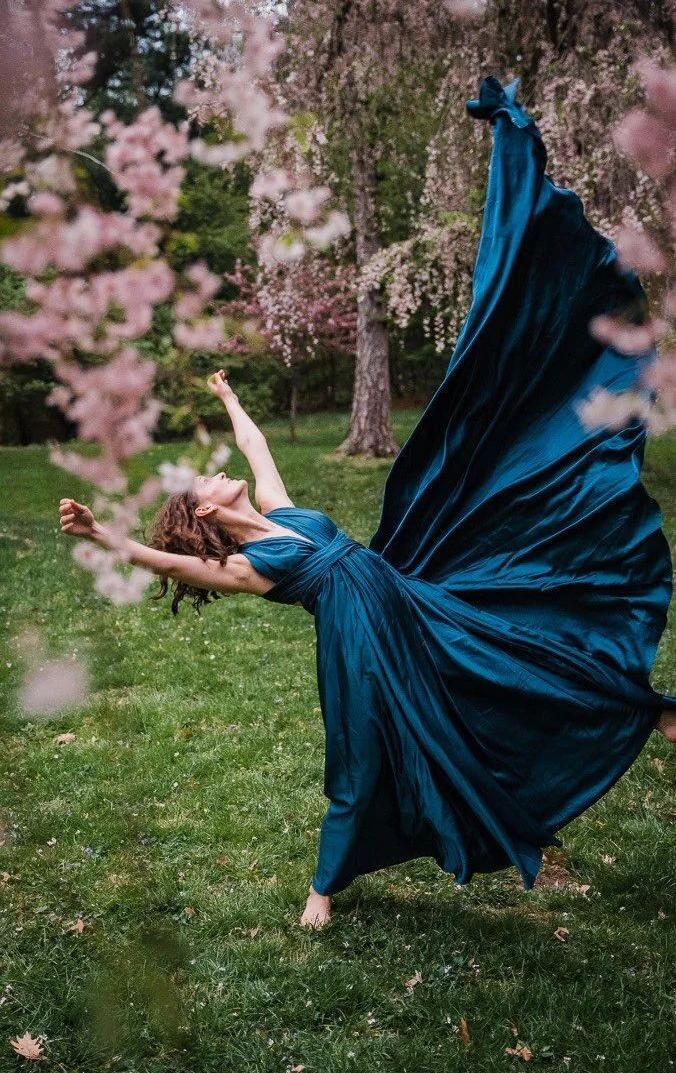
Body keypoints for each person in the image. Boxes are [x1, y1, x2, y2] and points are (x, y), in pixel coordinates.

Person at [59, 77, 676, 931]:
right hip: (359, 645)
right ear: (202, 516)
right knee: (363, 760)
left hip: (404, 599)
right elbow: (163, 562)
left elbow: (259, 450)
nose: (212, 474)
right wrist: (102, 534)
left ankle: (639, 711)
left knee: (510, 651)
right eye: (199, 485)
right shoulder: (242, 562)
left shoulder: (277, 514)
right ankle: (322, 891)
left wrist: (233, 399)